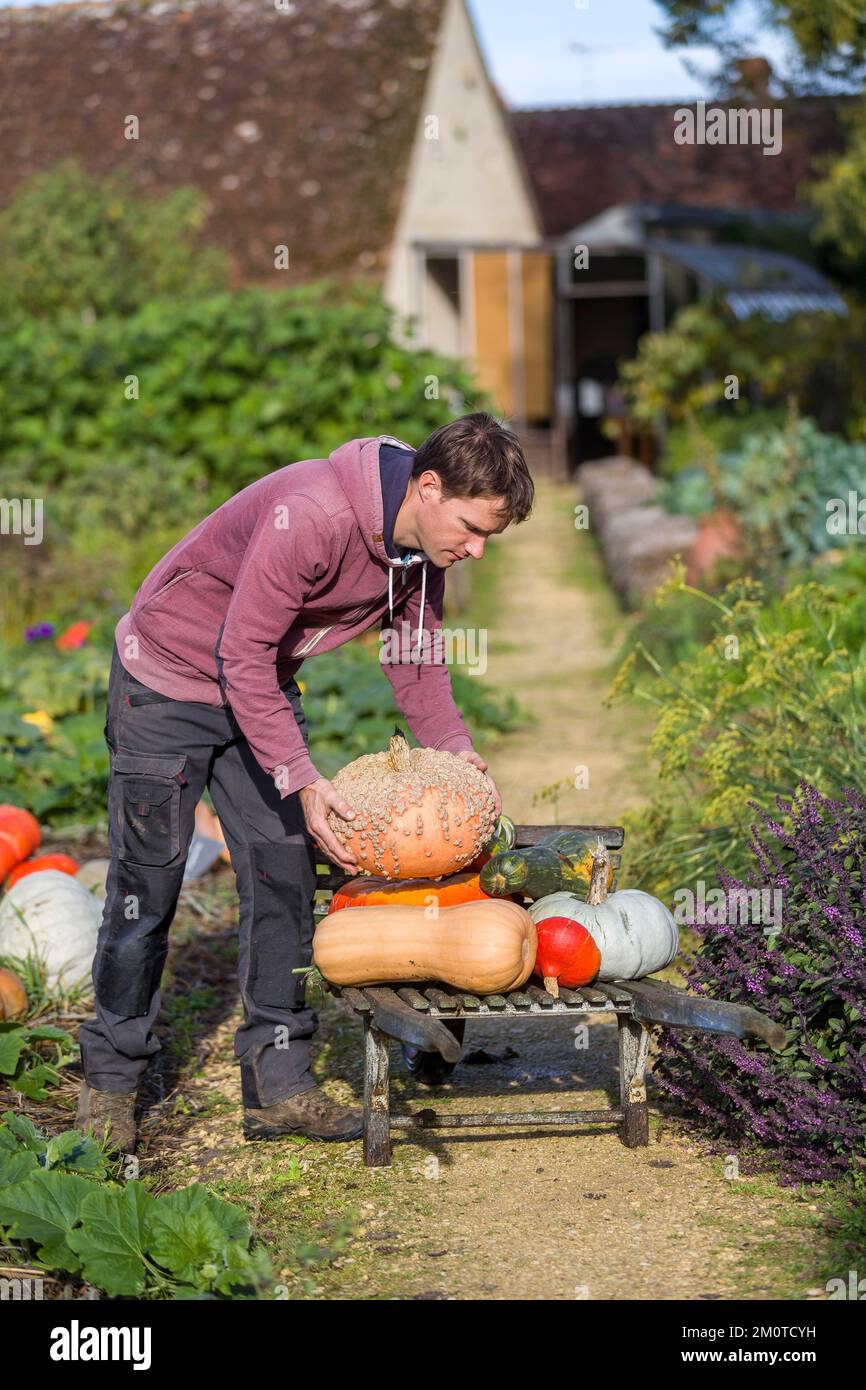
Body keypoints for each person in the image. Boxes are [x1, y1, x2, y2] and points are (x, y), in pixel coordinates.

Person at [75, 412, 534, 1152]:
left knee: (284, 870)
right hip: (166, 682)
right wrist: (303, 776)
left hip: (254, 685)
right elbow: (244, 650)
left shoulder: (421, 547)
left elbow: (414, 657)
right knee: (147, 884)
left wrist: (456, 752)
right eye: (472, 529)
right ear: (426, 486)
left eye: (490, 537)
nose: (475, 550)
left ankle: (279, 1084)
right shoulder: (314, 515)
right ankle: (110, 1083)